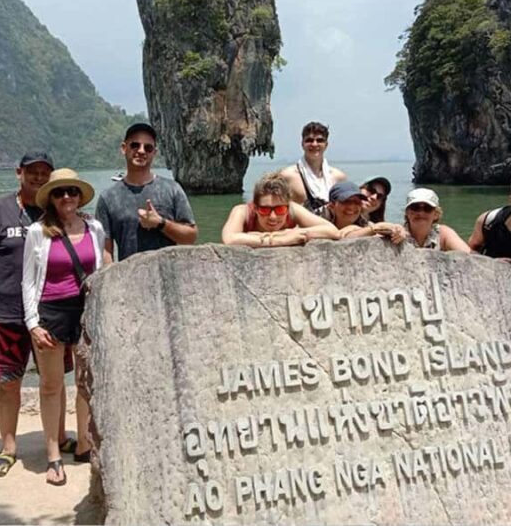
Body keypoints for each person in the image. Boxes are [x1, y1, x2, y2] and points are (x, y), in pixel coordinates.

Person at [0, 152, 75, 478]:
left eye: (45, 172)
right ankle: (8, 447)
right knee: (9, 382)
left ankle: (58, 437)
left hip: (50, 314)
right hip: (7, 311)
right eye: (33, 172)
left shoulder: (56, 209)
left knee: (54, 382)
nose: (39, 177)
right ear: (19, 172)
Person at [22, 168, 110, 486]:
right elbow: (29, 281)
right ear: (51, 199)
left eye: (71, 191)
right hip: (50, 313)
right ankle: (53, 455)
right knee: (51, 385)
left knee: (85, 383)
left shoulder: (94, 228)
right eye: (59, 193)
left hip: (85, 312)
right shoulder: (38, 232)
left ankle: (85, 444)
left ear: (79, 195)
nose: (67, 197)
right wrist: (32, 323)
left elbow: (100, 270)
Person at [96, 123, 198, 261]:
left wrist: (161, 223)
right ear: (124, 148)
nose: (141, 151)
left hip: (168, 278)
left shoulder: (172, 189)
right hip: (128, 278)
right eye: (135, 145)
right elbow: (105, 251)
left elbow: (190, 237)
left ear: (154, 153)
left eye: (148, 147)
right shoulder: (107, 198)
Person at [221, 171, 340, 247]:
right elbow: (229, 239)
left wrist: (295, 233)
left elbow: (332, 231)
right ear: (255, 208)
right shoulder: (242, 212)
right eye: (265, 210)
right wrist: (278, 240)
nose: (273, 217)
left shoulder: (293, 209)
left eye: (280, 210)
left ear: (287, 208)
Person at [280, 121, 347, 211]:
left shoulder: (338, 177)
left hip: (331, 225)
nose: (314, 144)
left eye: (319, 140)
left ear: (326, 145)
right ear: (302, 144)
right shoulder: (287, 175)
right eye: (309, 140)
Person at [403, 188, 470, 252]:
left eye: (427, 208)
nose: (421, 213)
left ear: (436, 214)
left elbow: (468, 255)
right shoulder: (398, 233)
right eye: (415, 207)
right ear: (407, 212)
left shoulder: (443, 234)